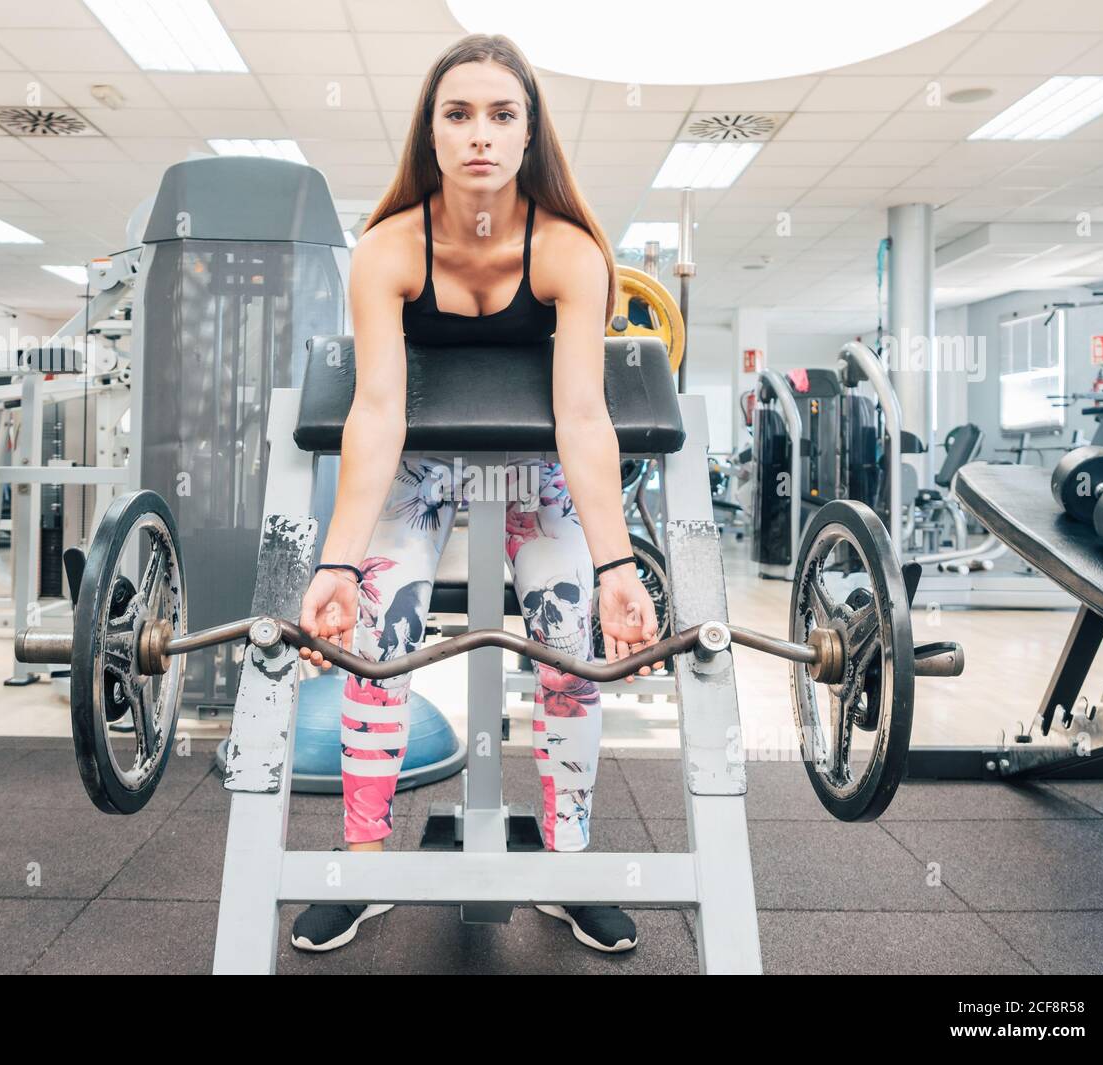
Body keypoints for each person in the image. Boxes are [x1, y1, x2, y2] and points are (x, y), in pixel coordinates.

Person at [290, 33, 664, 957]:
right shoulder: (387, 248)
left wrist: (618, 564)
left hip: (534, 460)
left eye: (503, 114)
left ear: (530, 133)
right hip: (421, 459)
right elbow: (377, 410)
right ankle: (367, 860)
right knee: (375, 621)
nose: (480, 136)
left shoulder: (570, 250)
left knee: (574, 633)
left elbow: (581, 417)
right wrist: (336, 561)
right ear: (431, 130)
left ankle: (569, 862)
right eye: (458, 114)